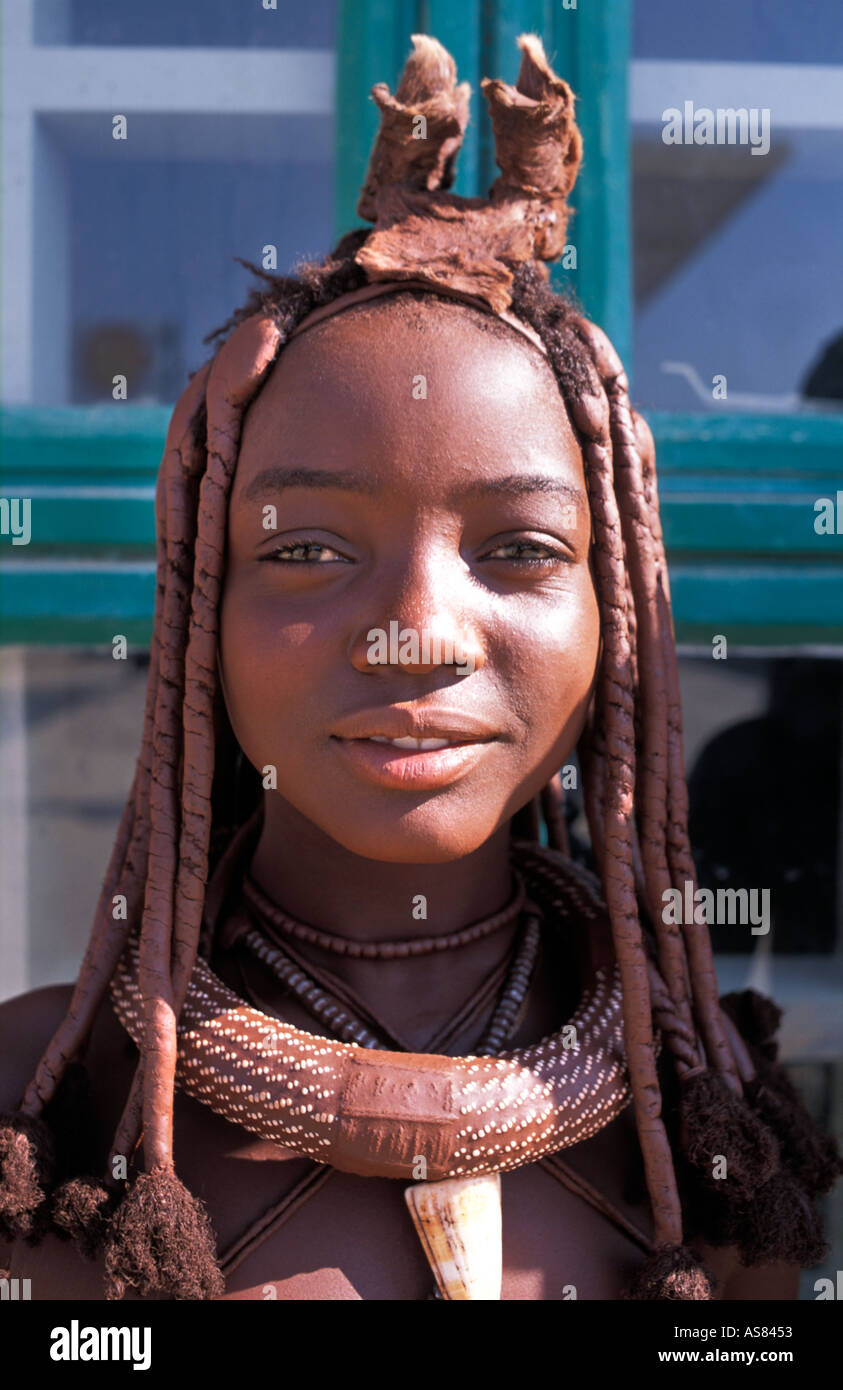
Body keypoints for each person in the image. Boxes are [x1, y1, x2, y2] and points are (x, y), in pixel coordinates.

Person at [0, 33, 839, 1302]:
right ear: (201, 616)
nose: (415, 631)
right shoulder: (39, 1124)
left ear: (616, 621)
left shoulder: (719, 1151)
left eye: (517, 547)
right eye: (311, 547)